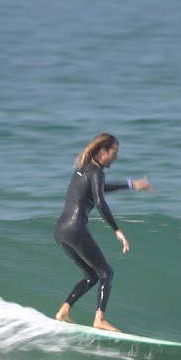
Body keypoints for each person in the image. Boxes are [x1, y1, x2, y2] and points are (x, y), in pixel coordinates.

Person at [53, 132, 153, 332]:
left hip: (60, 230)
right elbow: (100, 201)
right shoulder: (96, 171)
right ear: (103, 151)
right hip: (76, 228)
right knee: (107, 273)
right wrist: (117, 229)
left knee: (92, 275)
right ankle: (99, 319)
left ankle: (63, 311)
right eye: (114, 153)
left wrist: (131, 185)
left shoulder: (83, 168)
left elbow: (100, 188)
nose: (116, 158)